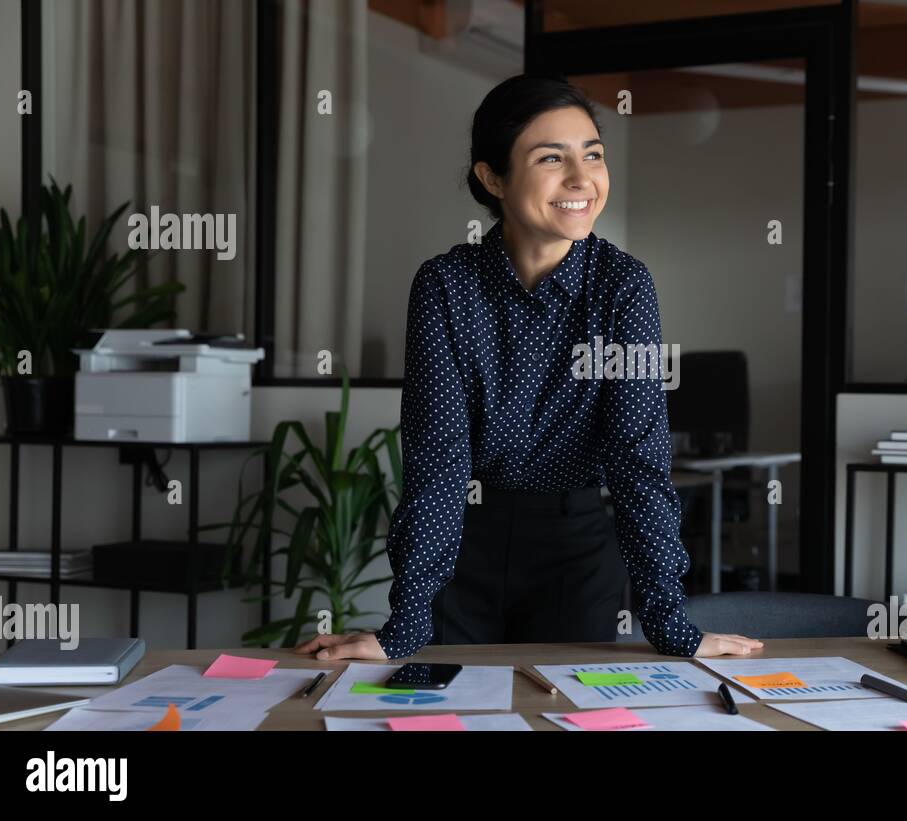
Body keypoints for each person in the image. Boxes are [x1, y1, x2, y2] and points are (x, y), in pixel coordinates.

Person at [296, 73, 762, 663]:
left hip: (575, 550)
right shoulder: (445, 286)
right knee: (448, 706)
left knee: (564, 705)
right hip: (463, 547)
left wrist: (672, 625)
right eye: (551, 158)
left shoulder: (623, 286)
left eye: (593, 154)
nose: (582, 179)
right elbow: (438, 460)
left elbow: (637, 459)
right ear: (492, 177)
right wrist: (404, 626)